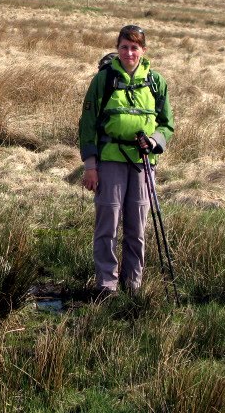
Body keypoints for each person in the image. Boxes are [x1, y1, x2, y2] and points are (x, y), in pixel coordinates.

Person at [78, 25, 174, 297]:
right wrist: (90, 166)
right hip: (109, 160)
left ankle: (133, 285)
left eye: (134, 47)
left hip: (143, 162)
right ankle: (106, 285)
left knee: (137, 225)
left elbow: (167, 124)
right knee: (107, 222)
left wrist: (154, 140)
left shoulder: (156, 82)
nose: (129, 52)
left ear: (143, 51)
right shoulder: (104, 79)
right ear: (117, 48)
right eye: (124, 47)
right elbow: (88, 125)